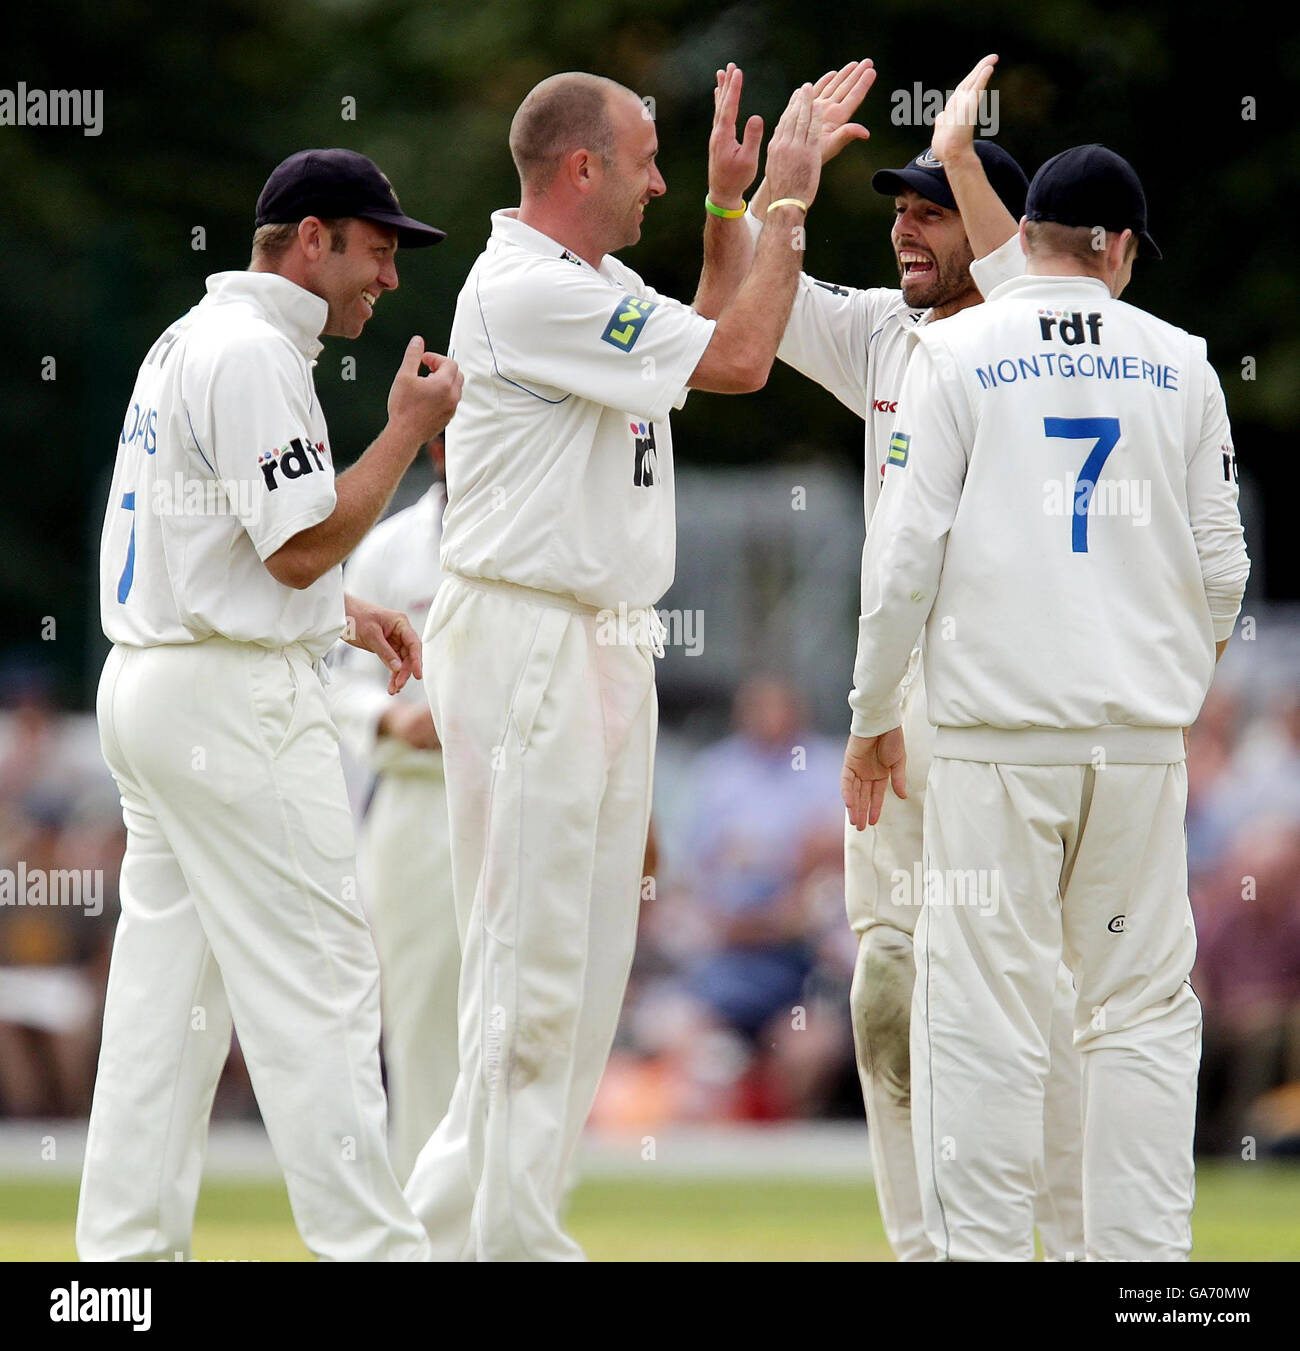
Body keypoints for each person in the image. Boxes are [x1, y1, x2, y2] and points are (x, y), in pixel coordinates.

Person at [402, 67, 826, 1261]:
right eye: (646, 159)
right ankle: (509, 1237)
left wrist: (728, 213)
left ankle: (435, 1226)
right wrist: (786, 207)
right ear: (579, 167)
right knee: (530, 950)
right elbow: (740, 361)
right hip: (530, 628)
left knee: (585, 963)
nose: (660, 177)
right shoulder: (528, 290)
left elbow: (697, 340)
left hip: (600, 631)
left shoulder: (593, 283)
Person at [842, 144, 1250, 1260]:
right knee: (1138, 1014)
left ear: (1022, 237)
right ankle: (1139, 1270)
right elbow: (1222, 571)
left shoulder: (959, 350)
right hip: (1133, 743)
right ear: (1116, 247)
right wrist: (1162, 686)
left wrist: (871, 713)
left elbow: (902, 554)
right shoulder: (1183, 361)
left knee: (982, 1012)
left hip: (990, 743)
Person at [729, 56, 1084, 1260]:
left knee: (1026, 997)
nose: (902, 229)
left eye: (930, 207)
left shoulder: (1044, 351)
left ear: (988, 227)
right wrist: (763, 196)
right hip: (895, 697)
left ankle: (1059, 1237)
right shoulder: (887, 333)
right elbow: (742, 321)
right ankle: (920, 1247)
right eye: (897, 208)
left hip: (1009, 702)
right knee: (886, 990)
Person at [78, 148, 462, 1261]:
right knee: (323, 986)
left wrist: (341, 612)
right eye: (377, 251)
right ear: (312, 238)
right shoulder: (254, 351)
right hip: (230, 706)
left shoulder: (190, 336)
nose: (385, 280)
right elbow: (295, 545)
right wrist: (402, 426)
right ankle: (374, 1252)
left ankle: (123, 1265)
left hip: (155, 686)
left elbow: (224, 542)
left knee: (166, 1006)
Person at [327, 433, 457, 1184]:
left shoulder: (541, 543)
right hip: (414, 804)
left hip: (519, 800)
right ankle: (427, 1226)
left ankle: (508, 1225)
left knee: (526, 1024)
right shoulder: (389, 548)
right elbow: (334, 673)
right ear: (437, 448)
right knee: (422, 1025)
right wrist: (391, 720)